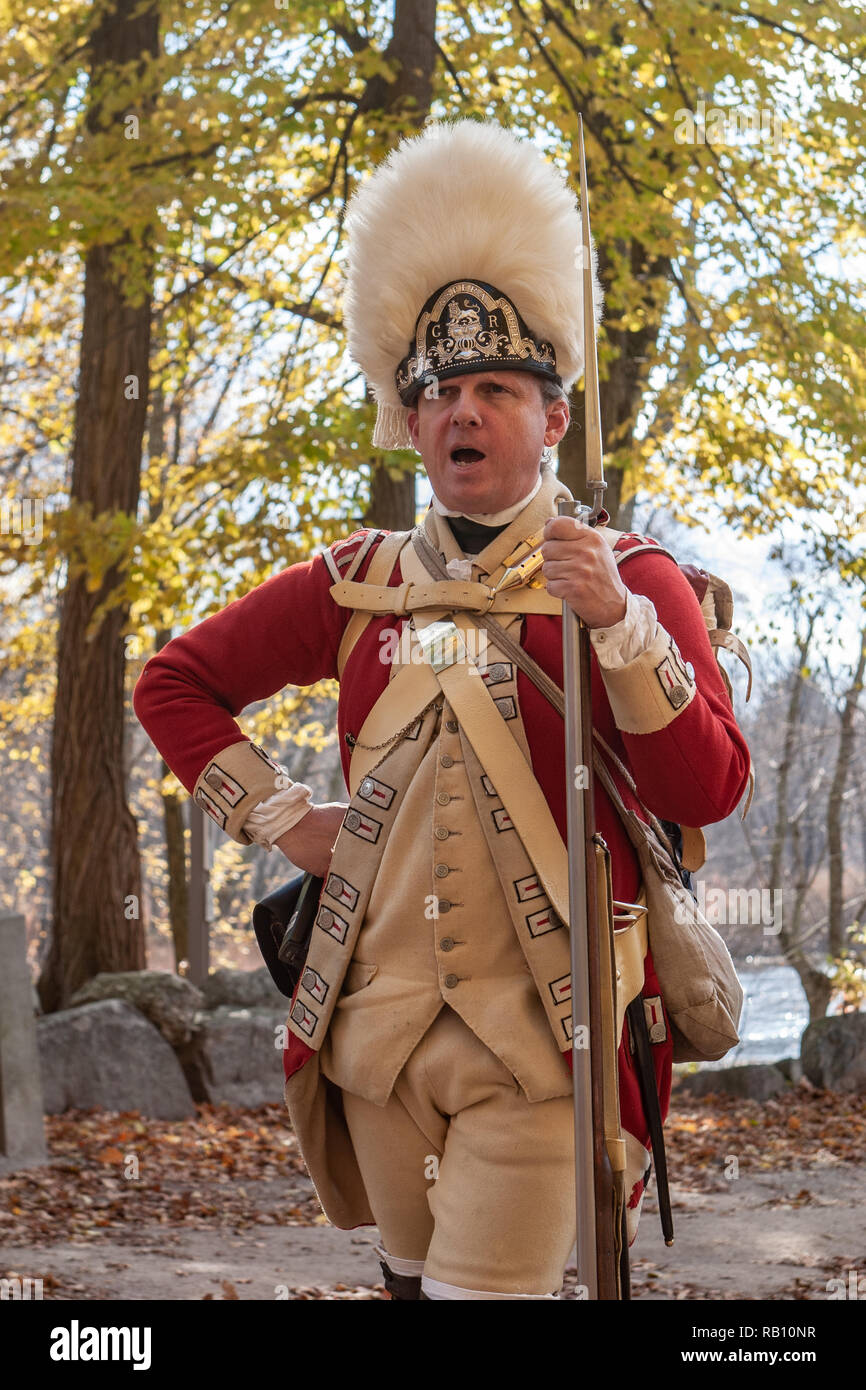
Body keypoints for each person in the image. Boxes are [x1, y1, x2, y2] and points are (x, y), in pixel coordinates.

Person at [133, 120, 751, 1300]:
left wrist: (618, 626)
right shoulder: (352, 581)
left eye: (494, 390)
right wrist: (280, 817)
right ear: (408, 422)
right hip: (373, 1047)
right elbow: (173, 683)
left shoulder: (629, 574)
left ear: (552, 417)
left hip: (551, 1050)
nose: (462, 414)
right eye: (439, 394)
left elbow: (706, 786)